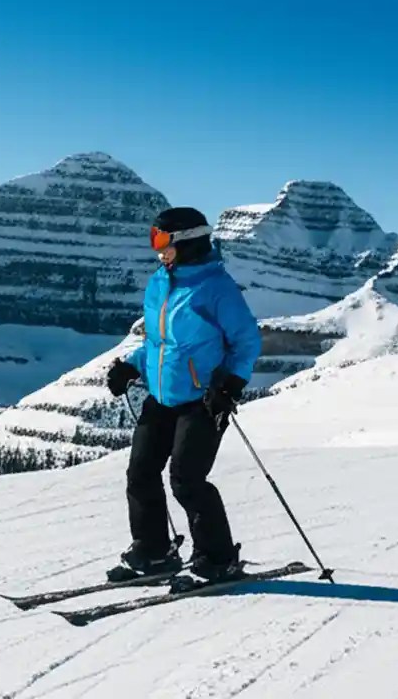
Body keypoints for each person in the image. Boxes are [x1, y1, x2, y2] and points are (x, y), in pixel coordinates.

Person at [105, 207, 262, 582]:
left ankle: (217, 558)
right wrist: (132, 365)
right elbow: (161, 344)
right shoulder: (161, 283)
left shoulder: (216, 288)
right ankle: (154, 552)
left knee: (187, 480)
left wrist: (229, 385)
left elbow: (247, 341)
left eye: (162, 241)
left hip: (203, 401)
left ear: (187, 242)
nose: (157, 250)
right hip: (161, 397)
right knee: (140, 473)